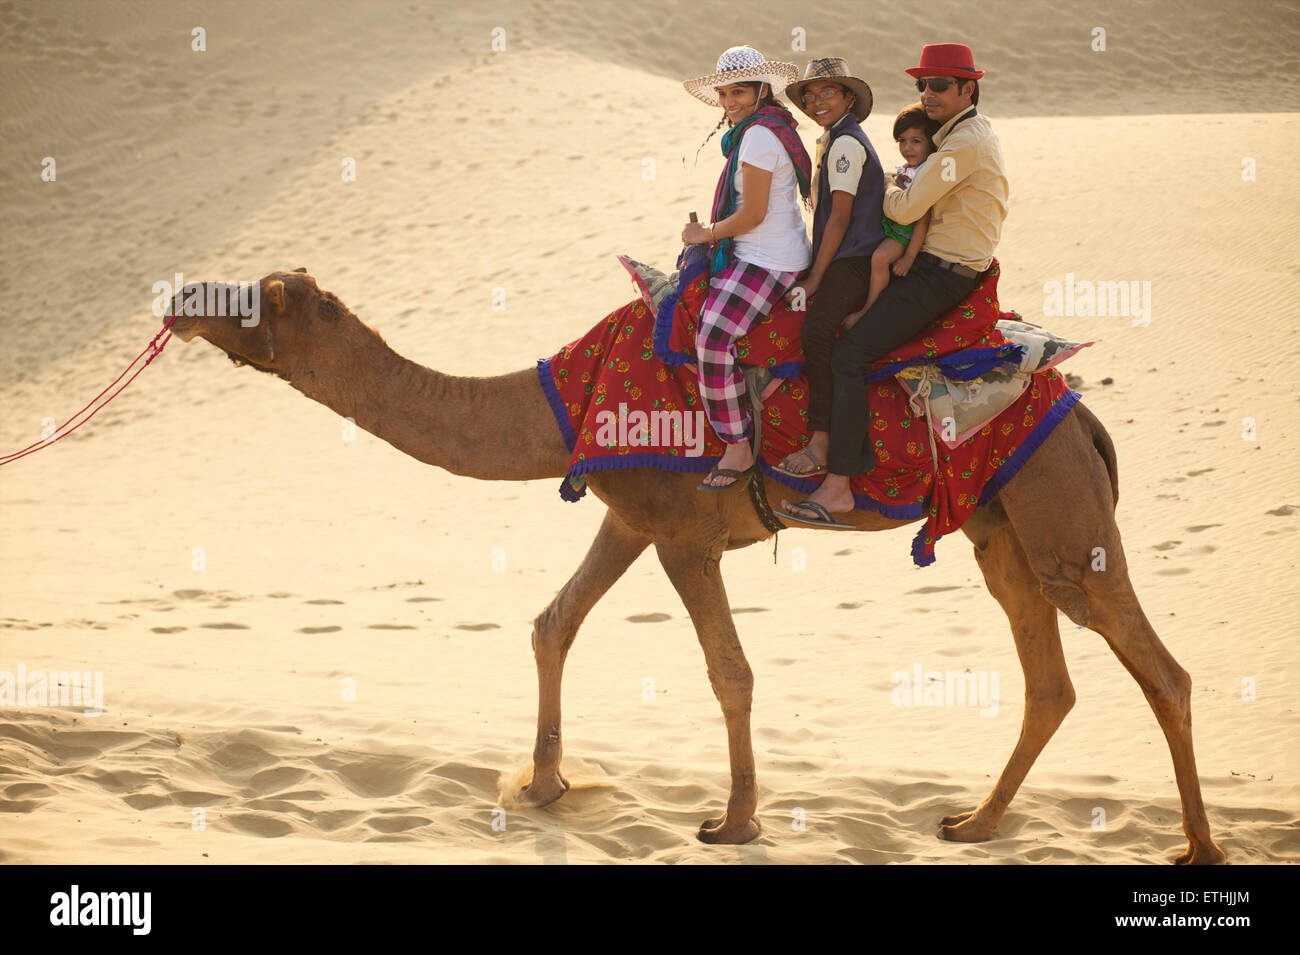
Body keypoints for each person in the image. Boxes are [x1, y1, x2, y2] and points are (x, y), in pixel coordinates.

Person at [781, 42, 1008, 528]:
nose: (928, 93)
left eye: (940, 84)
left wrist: (882, 184)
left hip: (939, 274)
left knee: (849, 353)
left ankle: (839, 484)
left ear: (969, 88)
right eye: (923, 84)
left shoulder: (963, 144)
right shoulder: (954, 137)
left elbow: (905, 210)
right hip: (932, 264)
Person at [680, 46, 813, 491]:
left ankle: (737, 444)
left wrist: (706, 234)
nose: (730, 101)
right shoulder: (762, 128)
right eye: (724, 93)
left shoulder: (758, 136)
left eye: (739, 91)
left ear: (761, 90)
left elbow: (753, 213)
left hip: (769, 260)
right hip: (759, 252)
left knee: (712, 337)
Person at [769, 58, 886, 480]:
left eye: (828, 92)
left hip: (852, 260)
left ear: (849, 97)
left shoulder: (845, 145)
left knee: (816, 332)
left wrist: (816, 277)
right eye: (810, 95)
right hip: (845, 255)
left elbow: (839, 217)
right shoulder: (833, 140)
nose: (817, 101)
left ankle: (821, 441)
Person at [862, 103, 940, 314]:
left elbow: (922, 220)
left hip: (905, 233)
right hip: (892, 225)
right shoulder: (909, 168)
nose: (907, 148)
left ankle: (870, 310)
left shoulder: (925, 173)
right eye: (902, 141)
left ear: (931, 143)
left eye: (916, 141)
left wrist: (909, 258)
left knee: (879, 258)